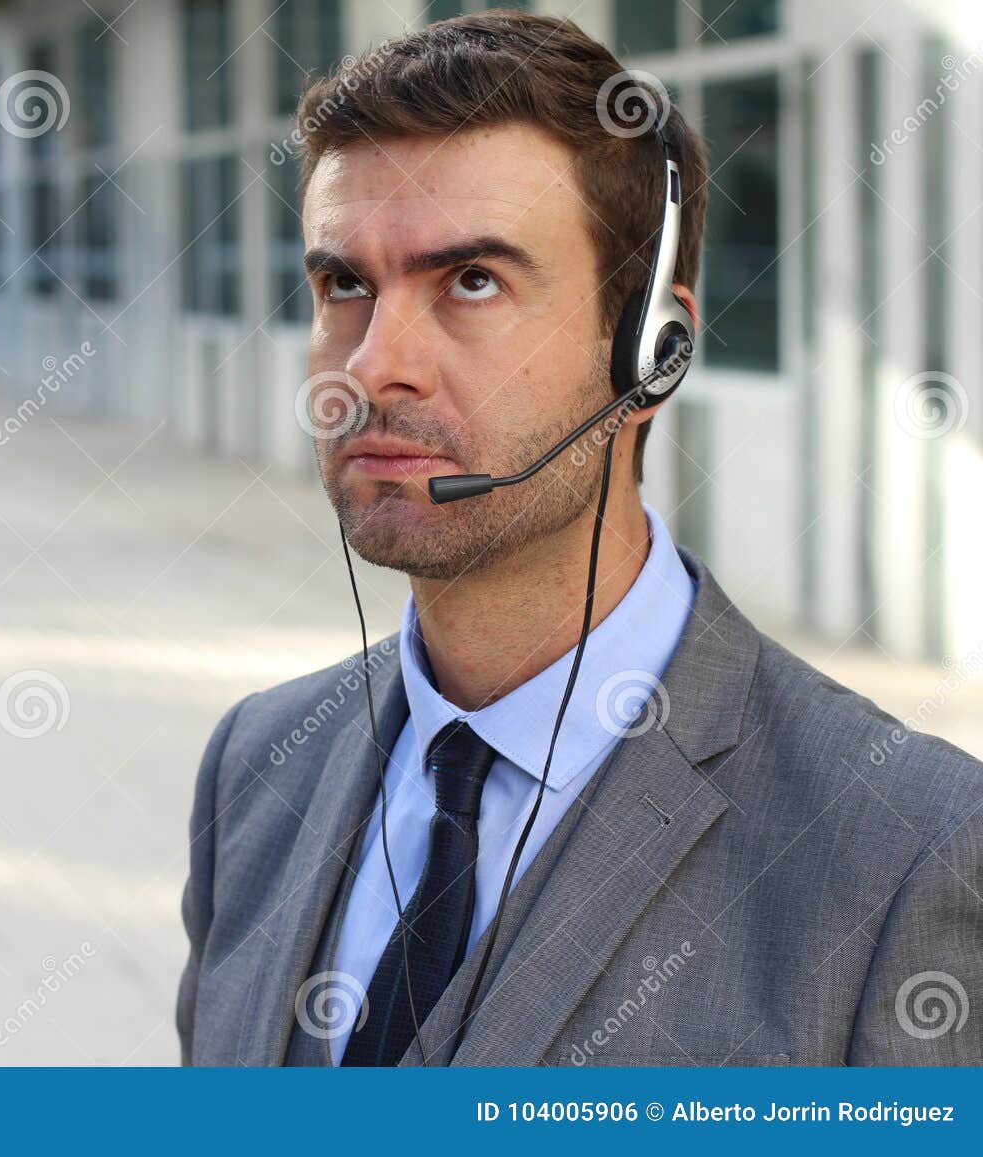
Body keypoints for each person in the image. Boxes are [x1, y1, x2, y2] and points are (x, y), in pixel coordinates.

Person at [176, 10, 983, 1067]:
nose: (371, 367)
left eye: (471, 281)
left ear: (652, 352)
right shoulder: (256, 765)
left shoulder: (903, 846)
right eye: (346, 286)